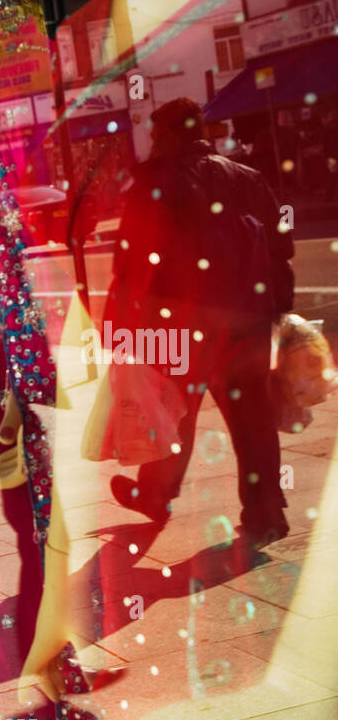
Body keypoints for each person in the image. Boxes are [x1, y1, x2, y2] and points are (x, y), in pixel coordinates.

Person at [106, 98, 292, 548]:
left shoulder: (153, 183)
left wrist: (119, 328)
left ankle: (154, 495)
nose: (152, 144)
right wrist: (279, 311)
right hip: (245, 321)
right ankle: (266, 510)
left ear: (171, 134)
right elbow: (279, 249)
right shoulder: (248, 178)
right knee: (252, 418)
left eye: (155, 135)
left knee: (171, 413)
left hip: (179, 325)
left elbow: (131, 267)